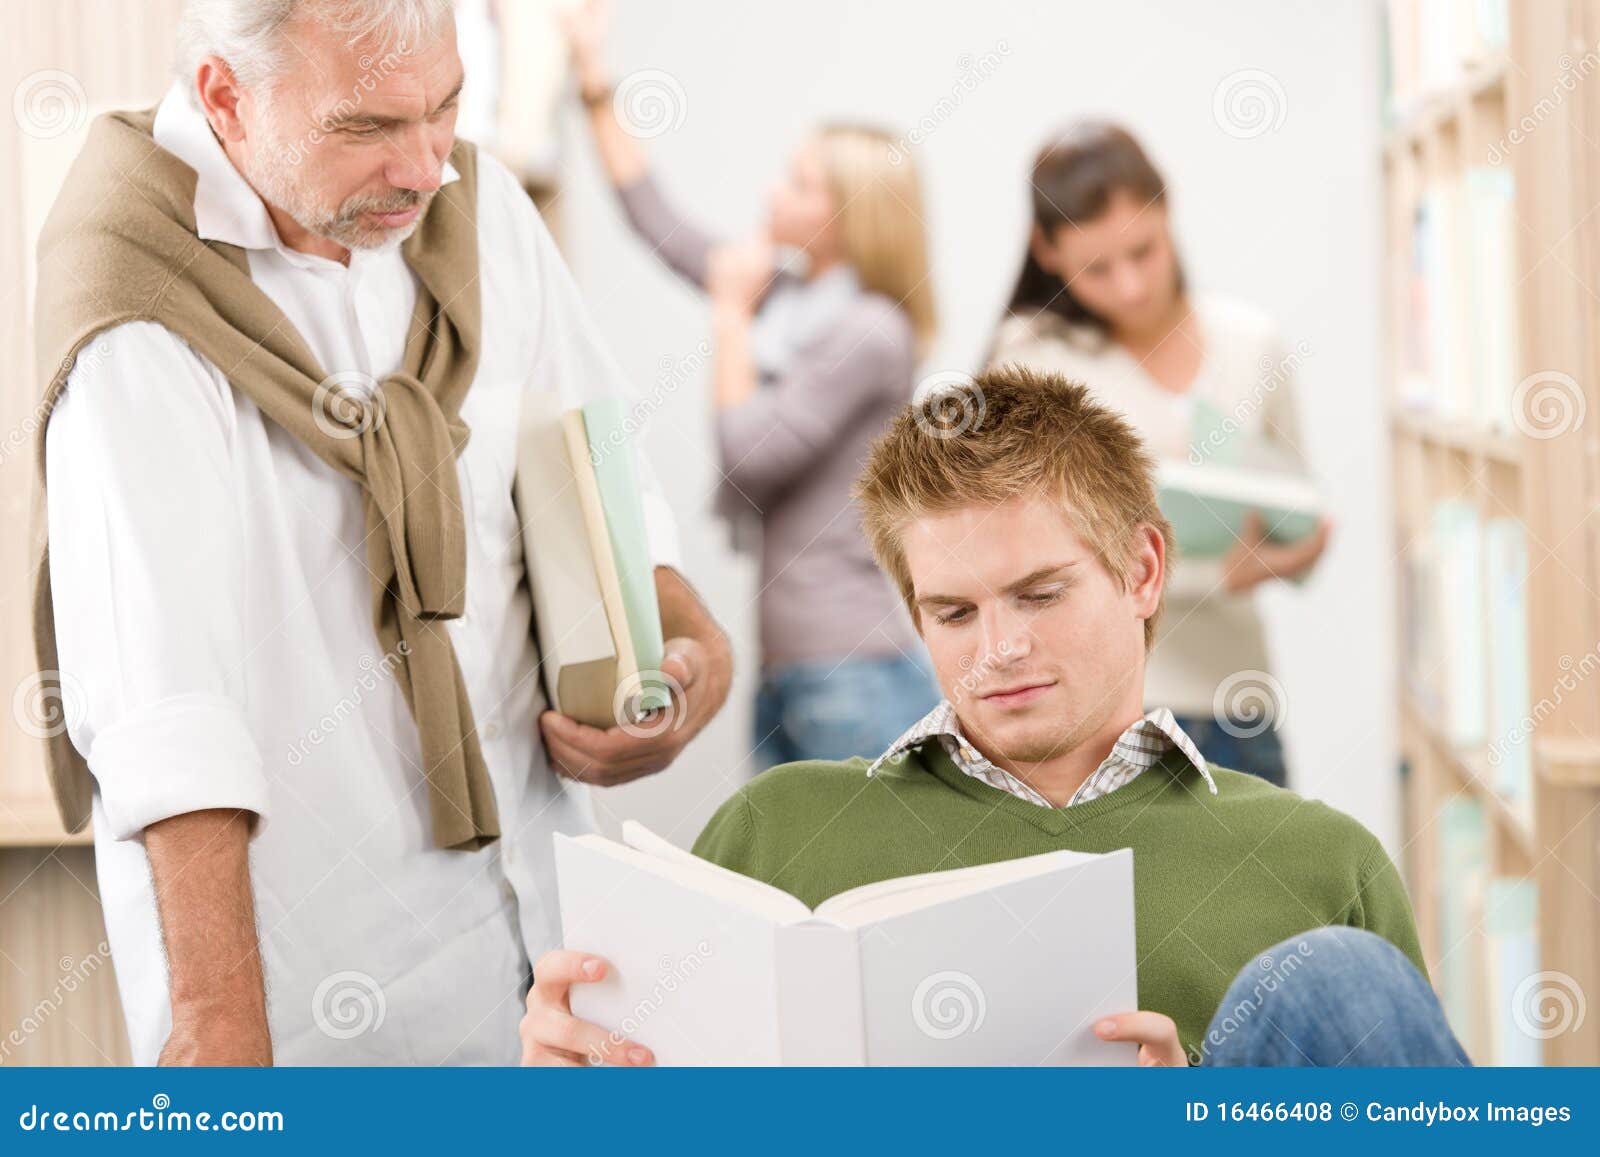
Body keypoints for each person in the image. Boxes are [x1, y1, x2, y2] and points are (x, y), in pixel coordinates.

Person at [30, 0, 732, 1065]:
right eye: (365, 127)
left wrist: (688, 656)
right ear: (226, 96)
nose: (423, 169)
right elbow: (161, 694)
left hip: (554, 957)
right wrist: (218, 1028)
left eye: (443, 108)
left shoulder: (483, 212)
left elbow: (601, 469)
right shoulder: (131, 285)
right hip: (316, 993)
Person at [518, 367, 1466, 1068]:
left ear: (1142, 570)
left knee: (1340, 980)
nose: (997, 649)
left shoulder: (1319, 858)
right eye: (954, 612)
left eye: (1040, 594)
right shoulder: (776, 828)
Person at [562, 0, 940, 769]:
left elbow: (749, 449)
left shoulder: (870, 329)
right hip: (795, 667)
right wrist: (593, 78)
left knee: (868, 889)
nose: (772, 194)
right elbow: (658, 222)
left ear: (850, 217)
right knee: (783, 887)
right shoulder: (794, 304)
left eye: (799, 184)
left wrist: (731, 313)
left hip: (851, 671)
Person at [987, 122, 1331, 788]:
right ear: (1047, 252)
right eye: (1097, 268)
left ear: (1167, 211)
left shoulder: (1251, 341)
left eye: (1144, 251)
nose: (1130, 286)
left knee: (1263, 890)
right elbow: (1021, 555)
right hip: (1097, 718)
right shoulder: (1031, 359)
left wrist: (1300, 550)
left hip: (1238, 705)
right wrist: (1214, 579)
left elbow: (1293, 501)